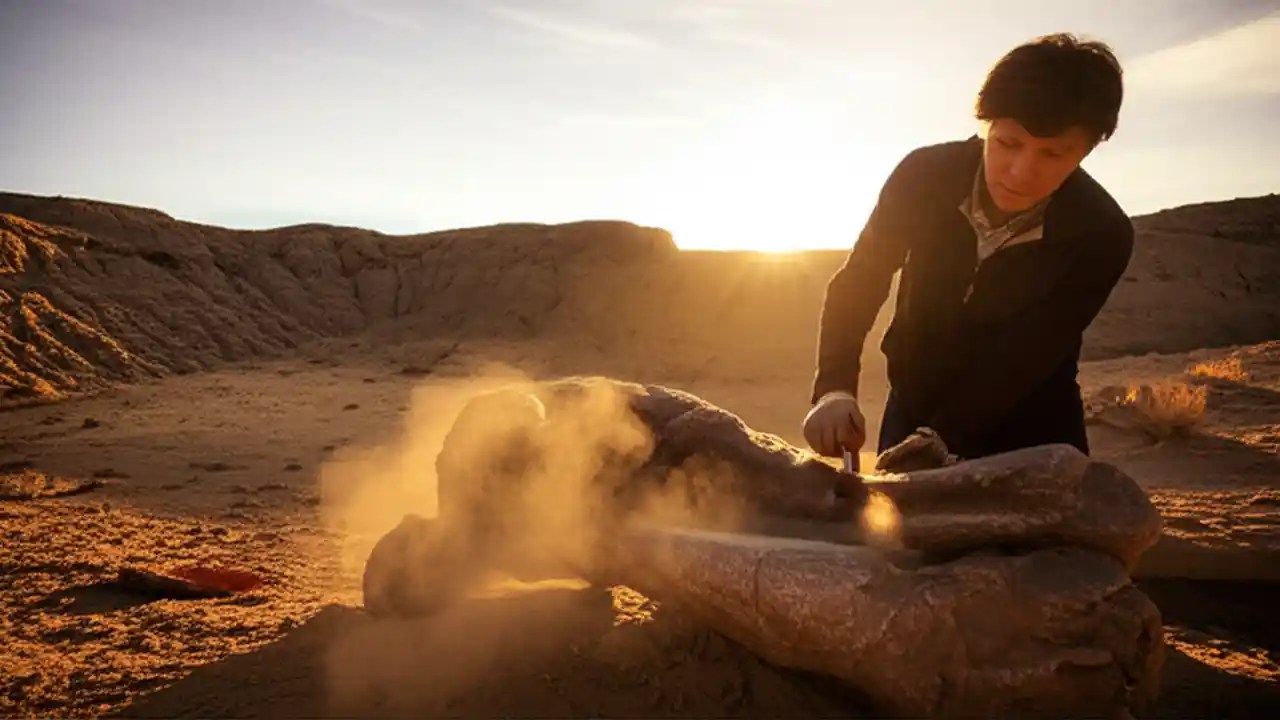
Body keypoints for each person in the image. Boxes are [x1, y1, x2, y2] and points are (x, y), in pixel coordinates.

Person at [803, 33, 1132, 463]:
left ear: (1088, 151)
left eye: (1052, 155)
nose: (1020, 173)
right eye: (1007, 143)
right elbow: (861, 279)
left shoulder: (1103, 232)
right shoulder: (922, 176)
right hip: (914, 402)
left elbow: (1033, 350)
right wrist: (833, 387)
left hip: (1037, 423)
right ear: (985, 125)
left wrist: (943, 437)